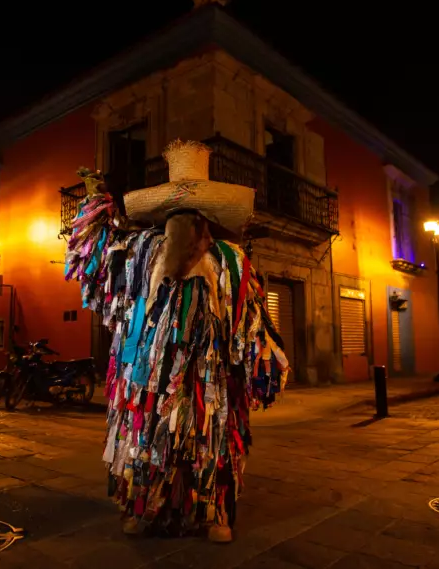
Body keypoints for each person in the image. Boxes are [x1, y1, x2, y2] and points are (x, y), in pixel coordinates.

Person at [65, 140, 290, 543]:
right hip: (145, 378)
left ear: (206, 217)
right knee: (146, 441)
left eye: (193, 211)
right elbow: (96, 265)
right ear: (164, 215)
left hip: (209, 378)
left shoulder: (229, 258)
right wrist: (95, 209)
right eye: (177, 211)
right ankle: (143, 508)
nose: (185, 220)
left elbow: (249, 315)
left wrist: (257, 356)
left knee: (211, 444)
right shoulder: (138, 252)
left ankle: (215, 513)